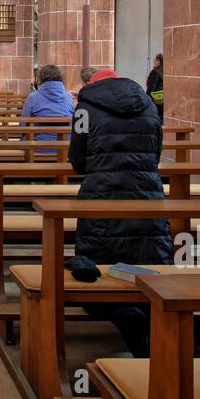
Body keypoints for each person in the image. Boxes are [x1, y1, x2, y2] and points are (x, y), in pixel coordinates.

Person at [68, 68, 171, 358]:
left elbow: (77, 159)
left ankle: (127, 316)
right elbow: (156, 152)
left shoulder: (85, 109)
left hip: (102, 196)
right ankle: (162, 334)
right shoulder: (148, 105)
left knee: (100, 266)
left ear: (91, 84)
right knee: (146, 262)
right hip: (146, 197)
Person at [21, 64, 73, 153]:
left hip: (37, 147)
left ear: (41, 78)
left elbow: (23, 125)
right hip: (65, 148)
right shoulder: (68, 97)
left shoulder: (33, 97)